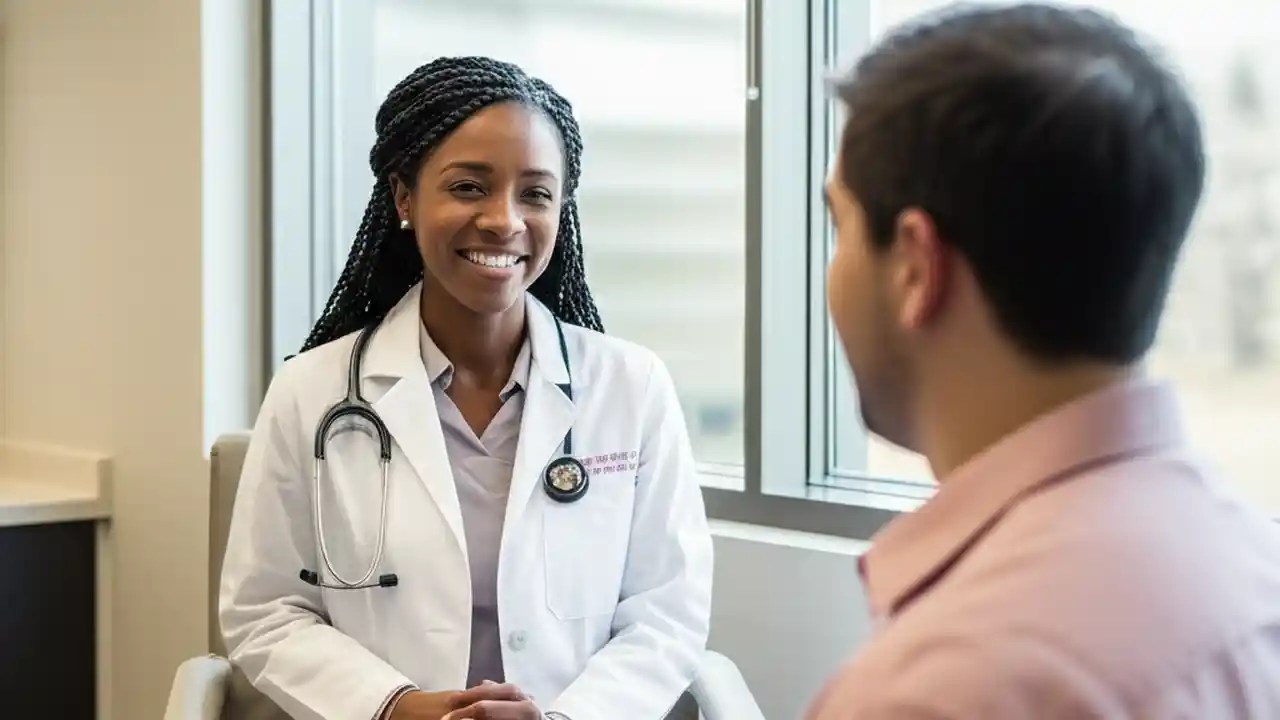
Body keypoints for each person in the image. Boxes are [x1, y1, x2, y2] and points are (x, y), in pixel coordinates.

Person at [810, 4, 1280, 718]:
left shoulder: (938, 690)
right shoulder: (1251, 563)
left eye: (838, 225)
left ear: (914, 266)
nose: (829, 269)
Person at [220, 56, 712, 720]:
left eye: (535, 193)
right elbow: (266, 611)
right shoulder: (312, 392)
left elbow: (666, 614)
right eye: (469, 187)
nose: (504, 220)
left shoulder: (631, 387)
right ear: (403, 197)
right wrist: (399, 707)